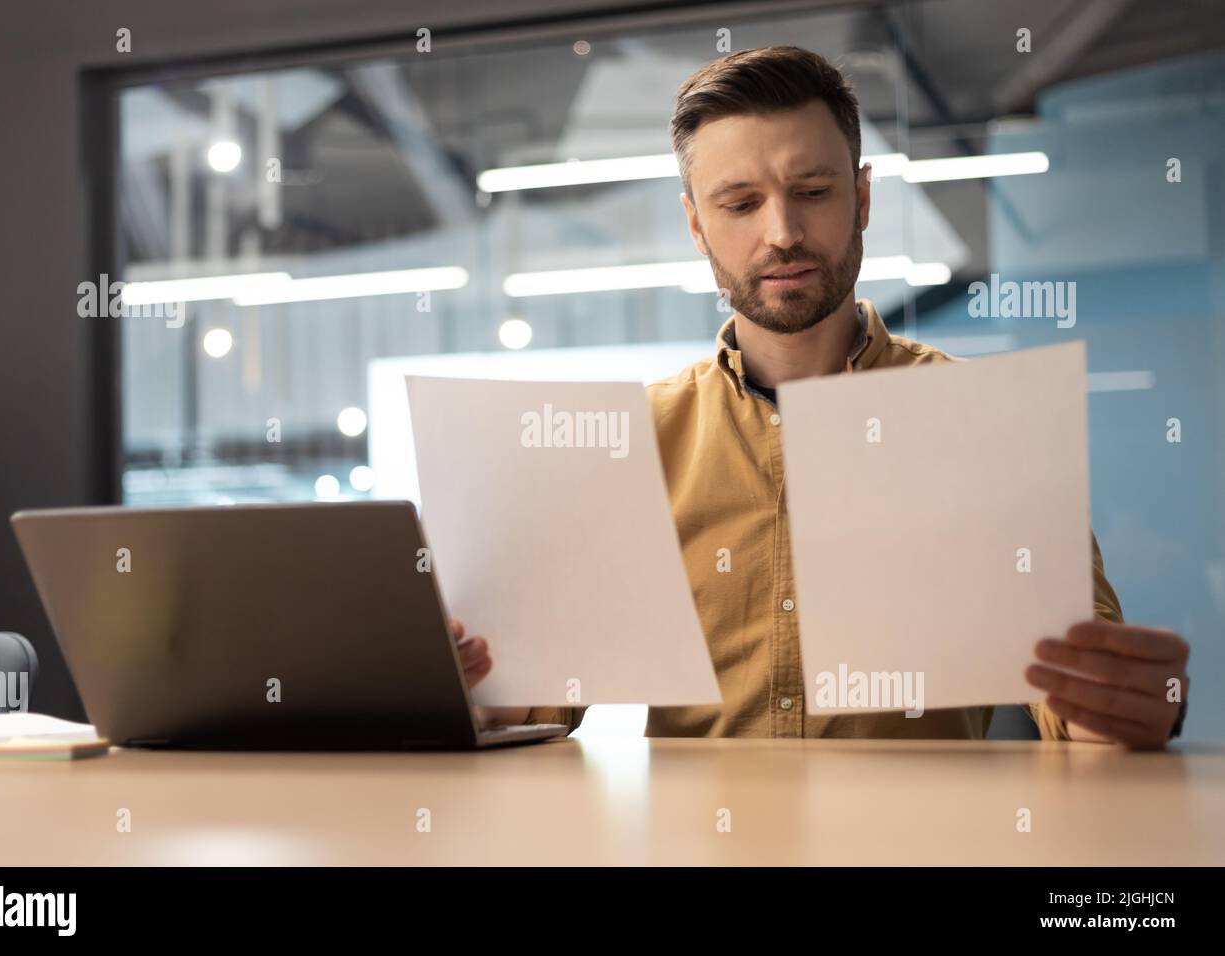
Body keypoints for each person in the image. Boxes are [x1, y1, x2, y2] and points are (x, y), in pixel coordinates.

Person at [456, 46, 1188, 749]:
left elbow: (1081, 702)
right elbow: (532, 702)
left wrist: (1132, 703)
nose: (782, 233)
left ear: (862, 197)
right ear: (695, 226)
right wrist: (474, 683)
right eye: (740, 203)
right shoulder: (634, 443)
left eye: (812, 192)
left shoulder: (979, 423)